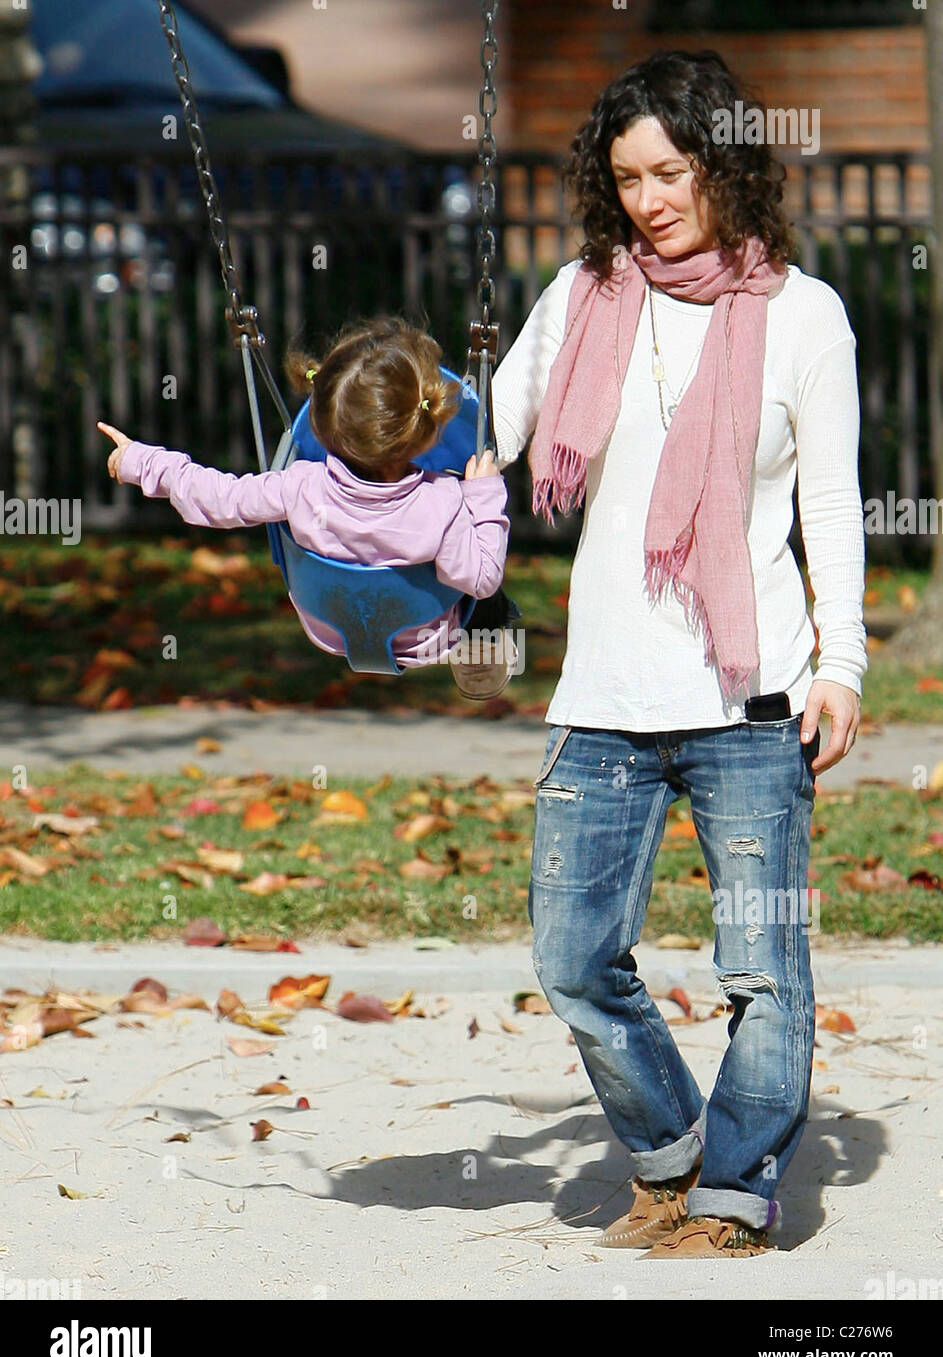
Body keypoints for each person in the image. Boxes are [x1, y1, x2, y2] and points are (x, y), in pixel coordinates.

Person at [490, 50, 866, 1257]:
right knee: (572, 956)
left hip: (750, 700)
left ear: (726, 164)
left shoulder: (804, 316)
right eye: (628, 178)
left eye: (671, 171)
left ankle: (735, 1195)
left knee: (762, 969)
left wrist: (842, 662)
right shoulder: (584, 295)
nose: (650, 199)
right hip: (602, 692)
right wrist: (334, 481)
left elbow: (833, 505)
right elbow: (477, 438)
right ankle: (670, 1156)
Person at [97, 316, 520, 699]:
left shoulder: (300, 485)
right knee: (487, 577)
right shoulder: (444, 501)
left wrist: (142, 461)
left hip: (329, 625)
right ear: (429, 433)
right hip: (428, 638)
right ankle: (483, 644)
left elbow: (216, 497)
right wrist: (482, 493)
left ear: (321, 423)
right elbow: (480, 579)